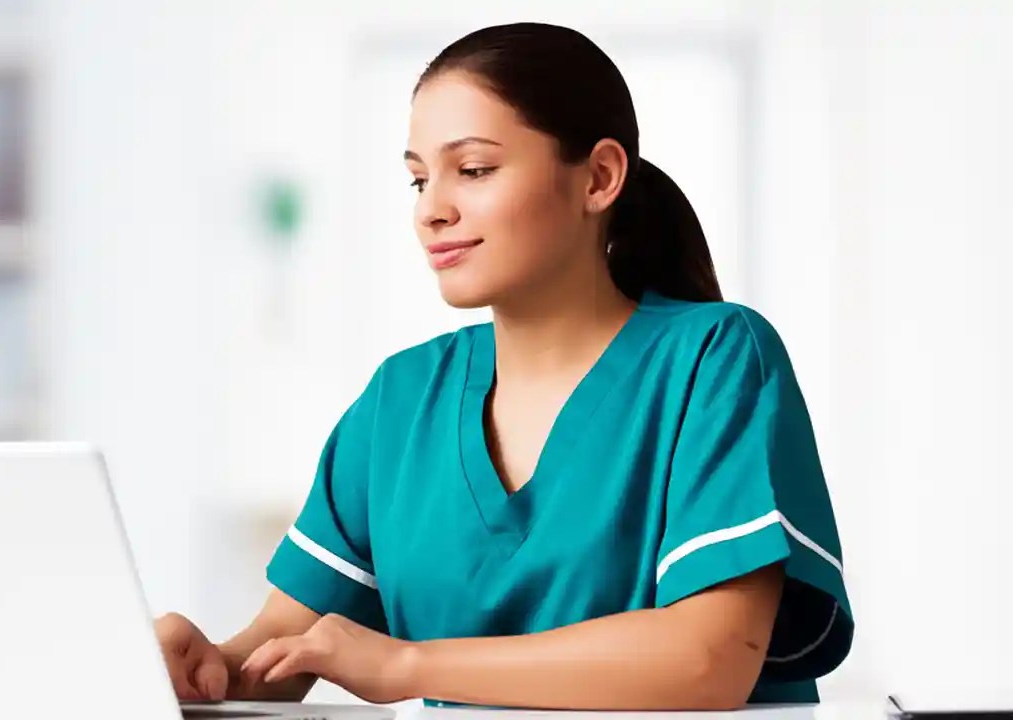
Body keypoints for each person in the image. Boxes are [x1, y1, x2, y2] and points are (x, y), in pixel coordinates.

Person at [154, 21, 852, 711]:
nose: (432, 209)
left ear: (600, 177)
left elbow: (708, 659)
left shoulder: (714, 359)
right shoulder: (400, 401)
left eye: (475, 170)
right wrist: (208, 667)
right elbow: (285, 646)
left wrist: (409, 664)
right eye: (418, 180)